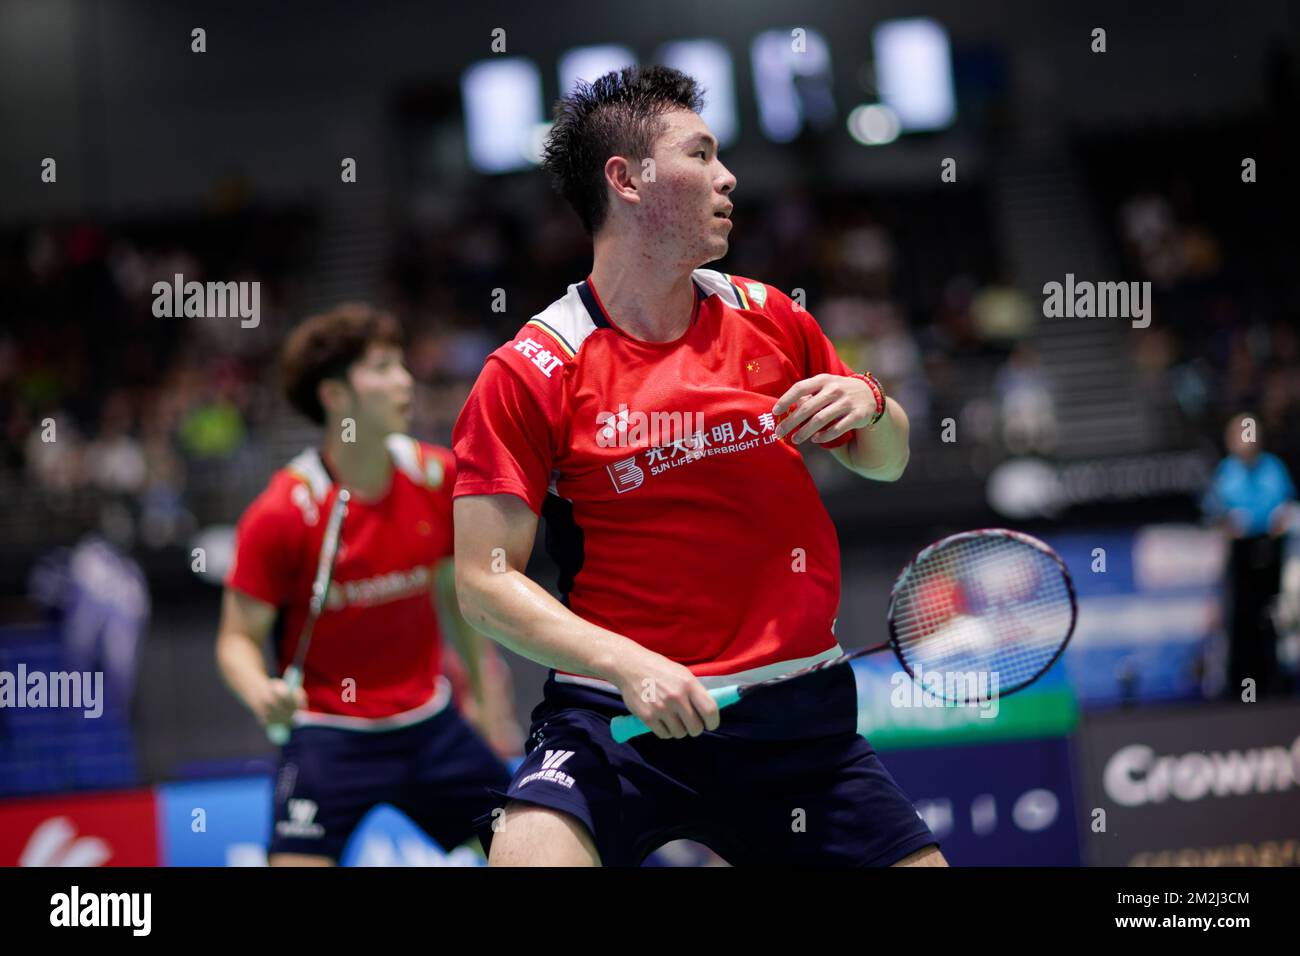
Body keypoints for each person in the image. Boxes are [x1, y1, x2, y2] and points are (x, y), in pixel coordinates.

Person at [452, 66, 943, 867]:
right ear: (629, 180)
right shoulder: (535, 369)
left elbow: (886, 463)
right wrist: (628, 663)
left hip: (797, 722)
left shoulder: (770, 317)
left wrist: (873, 406)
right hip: (617, 716)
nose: (728, 176)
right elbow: (483, 581)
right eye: (702, 154)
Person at [216, 304, 519, 865]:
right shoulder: (282, 513)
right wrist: (262, 695)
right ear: (335, 396)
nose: (404, 380)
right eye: (382, 368)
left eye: (401, 364)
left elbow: (465, 600)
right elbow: (235, 639)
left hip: (430, 725)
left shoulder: (435, 477)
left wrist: (486, 700)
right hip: (327, 735)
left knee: (529, 848)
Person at [1203, 412, 1296, 698]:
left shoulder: (1274, 469)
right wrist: (1228, 525)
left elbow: (1288, 506)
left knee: (1271, 619)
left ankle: (1273, 685)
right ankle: (1240, 690)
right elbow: (1213, 515)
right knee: (1240, 622)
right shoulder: (1226, 473)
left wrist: (1279, 521)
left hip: (1270, 554)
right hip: (1240, 557)